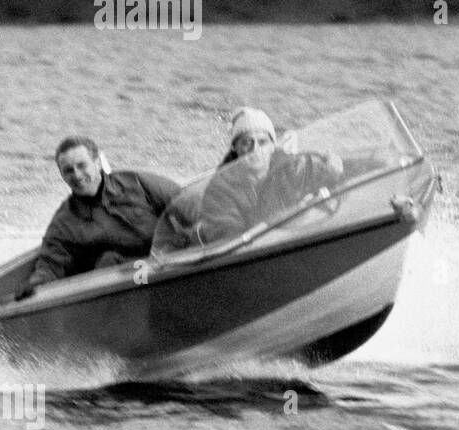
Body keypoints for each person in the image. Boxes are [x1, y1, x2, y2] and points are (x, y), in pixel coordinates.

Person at [18, 137, 181, 298]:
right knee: (107, 260)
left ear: (97, 162)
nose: (77, 175)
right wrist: (36, 284)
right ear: (62, 175)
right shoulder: (64, 222)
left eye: (82, 166)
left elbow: (185, 202)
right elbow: (51, 265)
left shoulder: (136, 182)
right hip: (128, 284)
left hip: (174, 260)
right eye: (68, 170)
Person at [198, 107, 343, 243]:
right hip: (255, 255)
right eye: (247, 142)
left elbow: (330, 173)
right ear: (235, 148)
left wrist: (333, 169)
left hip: (296, 241)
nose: (255, 149)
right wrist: (276, 220)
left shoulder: (291, 167)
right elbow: (230, 239)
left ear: (272, 146)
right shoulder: (219, 189)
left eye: (262, 142)